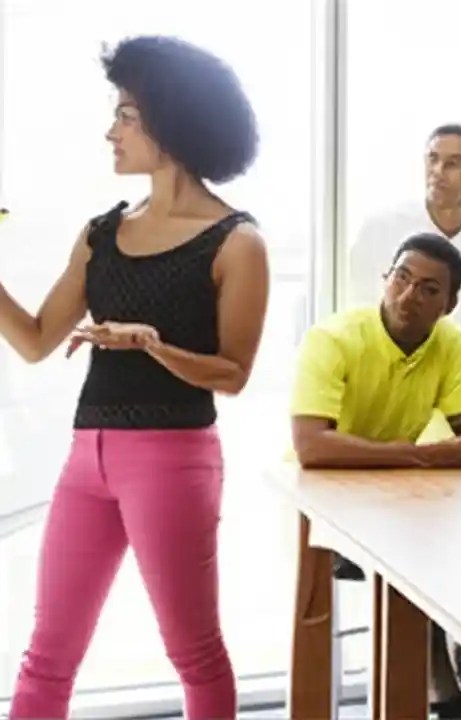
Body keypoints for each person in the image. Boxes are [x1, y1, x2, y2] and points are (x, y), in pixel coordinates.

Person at [2, 36, 268, 719]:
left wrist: (151, 344)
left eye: (125, 115)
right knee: (46, 654)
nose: (110, 132)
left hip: (172, 460)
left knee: (195, 653)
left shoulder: (238, 242)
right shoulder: (101, 232)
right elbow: (34, 341)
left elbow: (234, 374)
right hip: (85, 457)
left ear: (169, 120)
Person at [292, 233, 461, 719]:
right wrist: (425, 457)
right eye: (401, 278)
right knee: (418, 561)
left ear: (449, 304)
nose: (409, 295)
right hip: (325, 513)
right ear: (385, 278)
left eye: (429, 289)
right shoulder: (332, 339)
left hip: (398, 501)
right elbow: (311, 446)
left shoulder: (451, 342)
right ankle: (446, 695)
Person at [347, 123, 461, 372]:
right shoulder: (381, 230)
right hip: (393, 379)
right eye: (432, 160)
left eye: (452, 163)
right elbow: (359, 313)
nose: (438, 171)